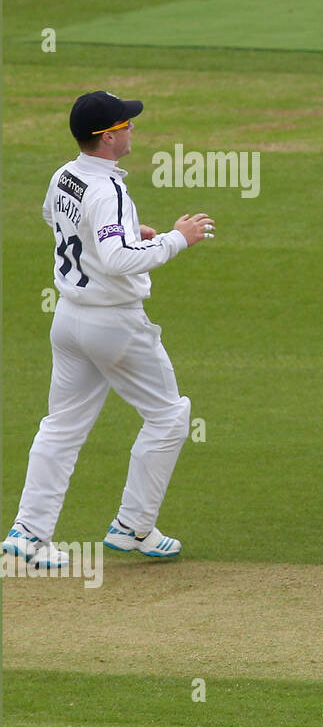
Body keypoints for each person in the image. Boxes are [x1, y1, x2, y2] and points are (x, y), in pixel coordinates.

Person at [2, 91, 212, 568]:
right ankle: (133, 526)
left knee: (61, 426)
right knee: (169, 417)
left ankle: (28, 534)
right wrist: (181, 238)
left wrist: (124, 232)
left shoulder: (65, 175)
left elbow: (59, 222)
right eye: (127, 124)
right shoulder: (107, 189)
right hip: (114, 323)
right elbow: (116, 260)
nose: (133, 129)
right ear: (107, 136)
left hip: (68, 319)